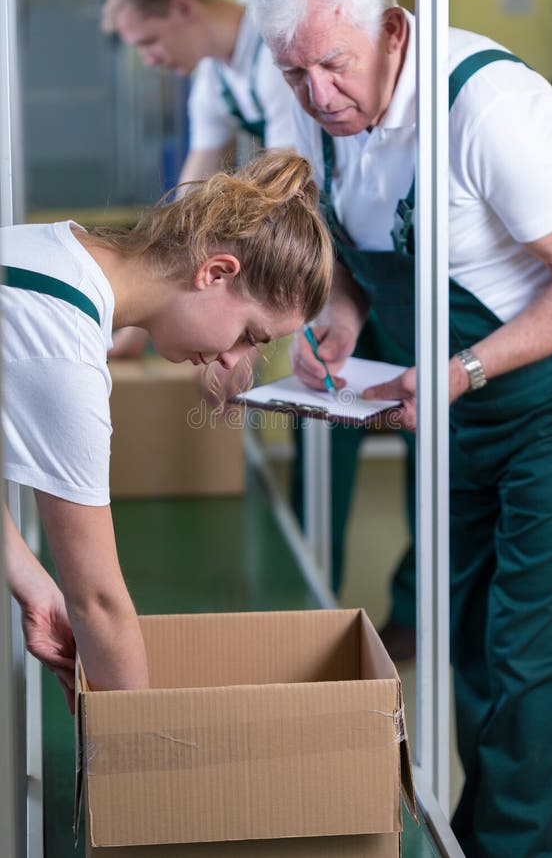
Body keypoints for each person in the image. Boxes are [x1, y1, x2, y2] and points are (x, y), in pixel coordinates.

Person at [247, 0, 552, 857]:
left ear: (394, 32)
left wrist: (462, 370)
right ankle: (479, 834)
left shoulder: (488, 108)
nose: (317, 94)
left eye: (334, 65)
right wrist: (340, 317)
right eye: (294, 73)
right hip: (441, 414)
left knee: (528, 653)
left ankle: (522, 849)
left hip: (533, 412)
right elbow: (359, 253)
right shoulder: (316, 107)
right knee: (465, 639)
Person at [2, 150, 334, 707]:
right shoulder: (64, 346)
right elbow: (98, 602)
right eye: (249, 335)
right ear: (215, 272)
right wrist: (144, 746)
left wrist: (31, 580)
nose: (232, 360)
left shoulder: (58, 250)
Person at [102, 0, 296, 358]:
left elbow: (281, 197)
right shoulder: (214, 79)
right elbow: (188, 206)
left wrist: (240, 336)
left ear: (183, 9)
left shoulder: (277, 52)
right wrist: (140, 320)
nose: (149, 60)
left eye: (149, 41)